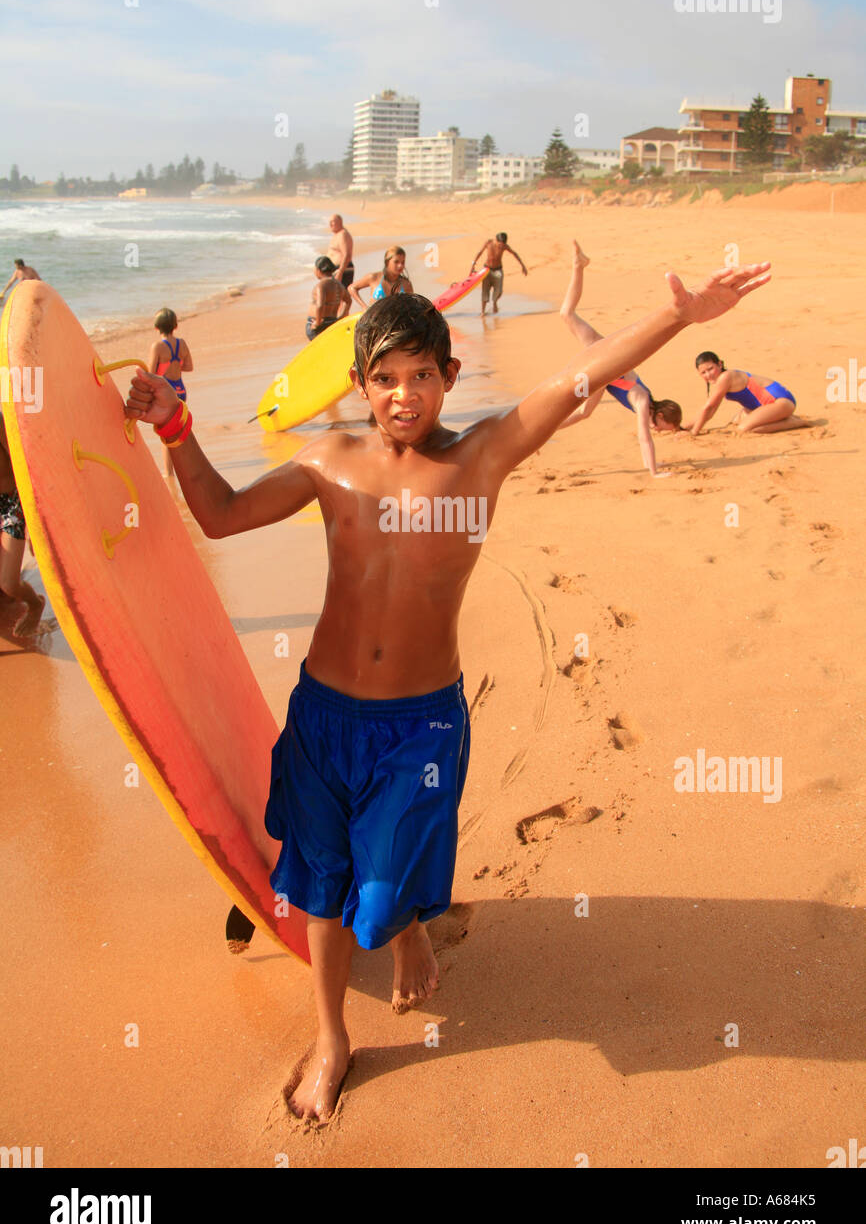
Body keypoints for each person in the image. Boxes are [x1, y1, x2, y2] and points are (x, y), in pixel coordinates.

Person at [124, 257, 770, 1122]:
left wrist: (678, 316)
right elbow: (221, 516)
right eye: (384, 378)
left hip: (420, 729)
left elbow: (582, 374)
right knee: (320, 887)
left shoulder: (480, 459)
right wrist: (176, 430)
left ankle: (408, 925)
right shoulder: (329, 463)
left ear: (448, 377)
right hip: (324, 716)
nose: (403, 395)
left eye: (421, 375)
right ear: (357, 385)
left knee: (381, 902)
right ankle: (331, 1038)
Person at [558, 241, 682, 477]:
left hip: (603, 371)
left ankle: (579, 265)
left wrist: (651, 464)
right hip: (603, 361)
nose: (661, 431)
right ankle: (578, 265)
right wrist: (654, 473)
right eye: (666, 428)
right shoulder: (643, 401)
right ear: (662, 416)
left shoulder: (645, 400)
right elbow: (644, 438)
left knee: (584, 413)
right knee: (566, 314)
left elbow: (646, 439)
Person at [686, 351, 808, 435]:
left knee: (744, 429)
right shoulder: (721, 380)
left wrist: (694, 433)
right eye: (703, 373)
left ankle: (794, 422)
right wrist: (684, 427)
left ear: (720, 364)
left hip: (780, 402)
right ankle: (783, 418)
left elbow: (709, 408)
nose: (708, 374)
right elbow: (708, 411)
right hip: (765, 406)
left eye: (710, 369)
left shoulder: (725, 377)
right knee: (736, 421)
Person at [0, 412, 45, 636]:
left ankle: (35, 605)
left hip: (11, 503)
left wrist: (33, 528)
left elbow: (24, 470)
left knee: (8, 583)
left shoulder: (0, 422)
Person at [148, 309, 193, 478]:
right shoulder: (182, 344)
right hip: (181, 390)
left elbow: (151, 373)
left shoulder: (158, 347)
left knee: (166, 434)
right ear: (175, 325)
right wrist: (175, 365)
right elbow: (189, 367)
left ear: (156, 327)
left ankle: (169, 474)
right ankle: (181, 466)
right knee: (178, 429)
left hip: (166, 392)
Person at [470, 232, 527, 314]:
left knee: (499, 291)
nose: (500, 246)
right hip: (486, 270)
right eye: (499, 244)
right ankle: (483, 312)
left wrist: (523, 266)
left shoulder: (504, 246)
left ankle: (495, 302)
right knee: (485, 292)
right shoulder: (489, 243)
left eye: (502, 245)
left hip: (498, 270)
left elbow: (514, 254)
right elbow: (479, 252)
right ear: (496, 240)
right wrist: (473, 264)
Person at [348, 246, 414, 307]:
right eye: (396, 262)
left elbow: (412, 305)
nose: (400, 266)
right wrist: (364, 307)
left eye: (403, 262)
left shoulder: (406, 284)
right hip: (374, 318)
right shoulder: (374, 278)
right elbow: (352, 288)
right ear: (387, 262)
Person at [306, 257, 351, 341]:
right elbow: (348, 301)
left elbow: (320, 305)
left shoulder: (322, 285)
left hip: (318, 324)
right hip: (331, 322)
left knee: (318, 348)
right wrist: (342, 316)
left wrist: (317, 323)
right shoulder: (338, 285)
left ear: (318, 270)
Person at [327, 214, 354, 290]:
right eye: (330, 222)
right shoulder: (338, 234)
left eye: (333, 222)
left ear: (340, 222)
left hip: (343, 269)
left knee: (340, 296)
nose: (330, 224)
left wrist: (340, 272)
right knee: (336, 297)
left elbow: (347, 254)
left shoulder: (343, 234)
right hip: (338, 269)